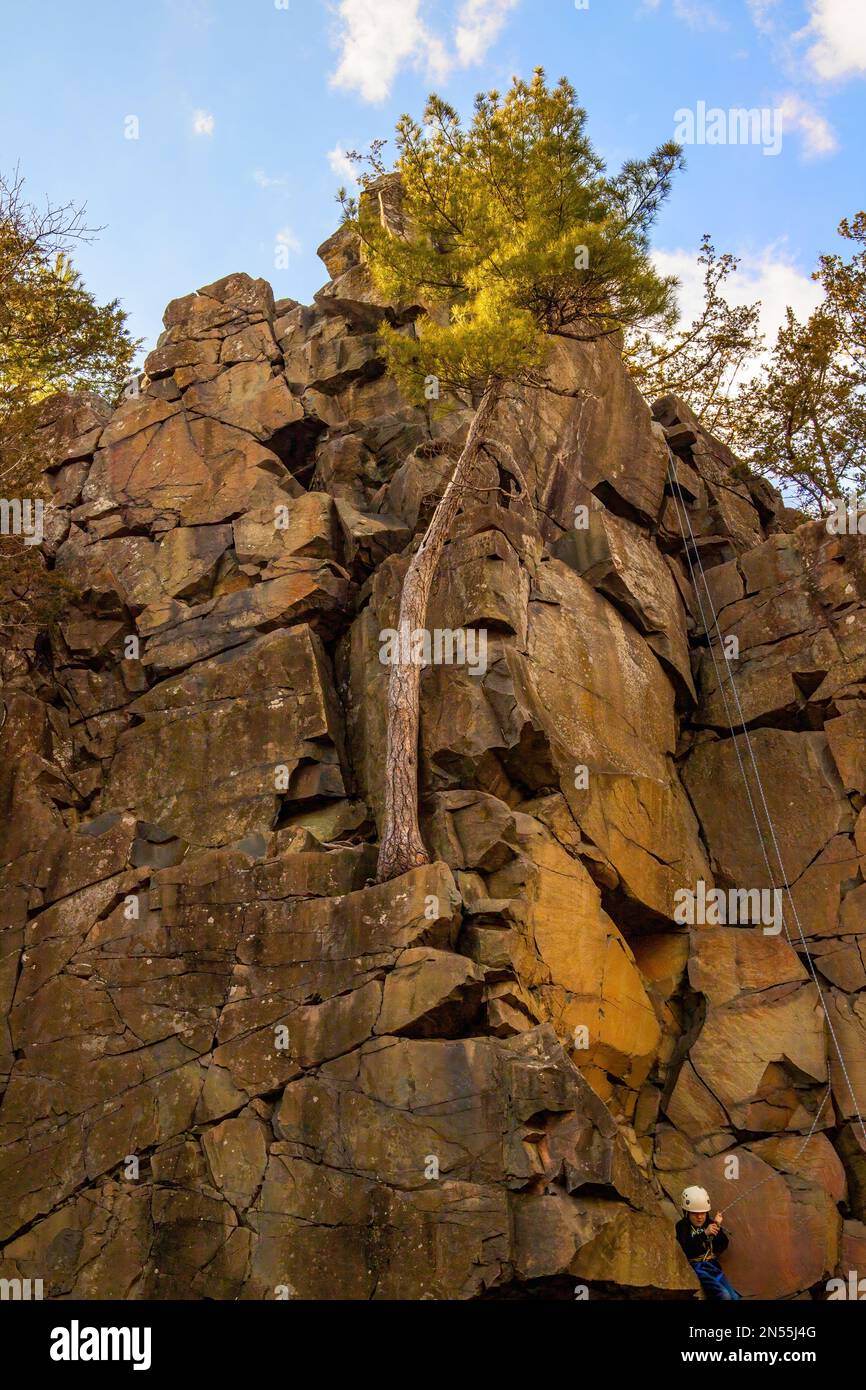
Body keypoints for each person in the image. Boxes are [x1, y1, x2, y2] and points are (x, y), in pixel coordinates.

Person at [676, 1185, 741, 1301]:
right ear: (687, 1212)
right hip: (697, 1267)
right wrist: (704, 1233)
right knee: (724, 1295)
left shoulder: (709, 1223)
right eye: (695, 1214)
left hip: (712, 1265)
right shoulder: (682, 1226)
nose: (700, 1217)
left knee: (734, 1297)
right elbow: (687, 1249)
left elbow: (722, 1246)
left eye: (703, 1213)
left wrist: (717, 1227)